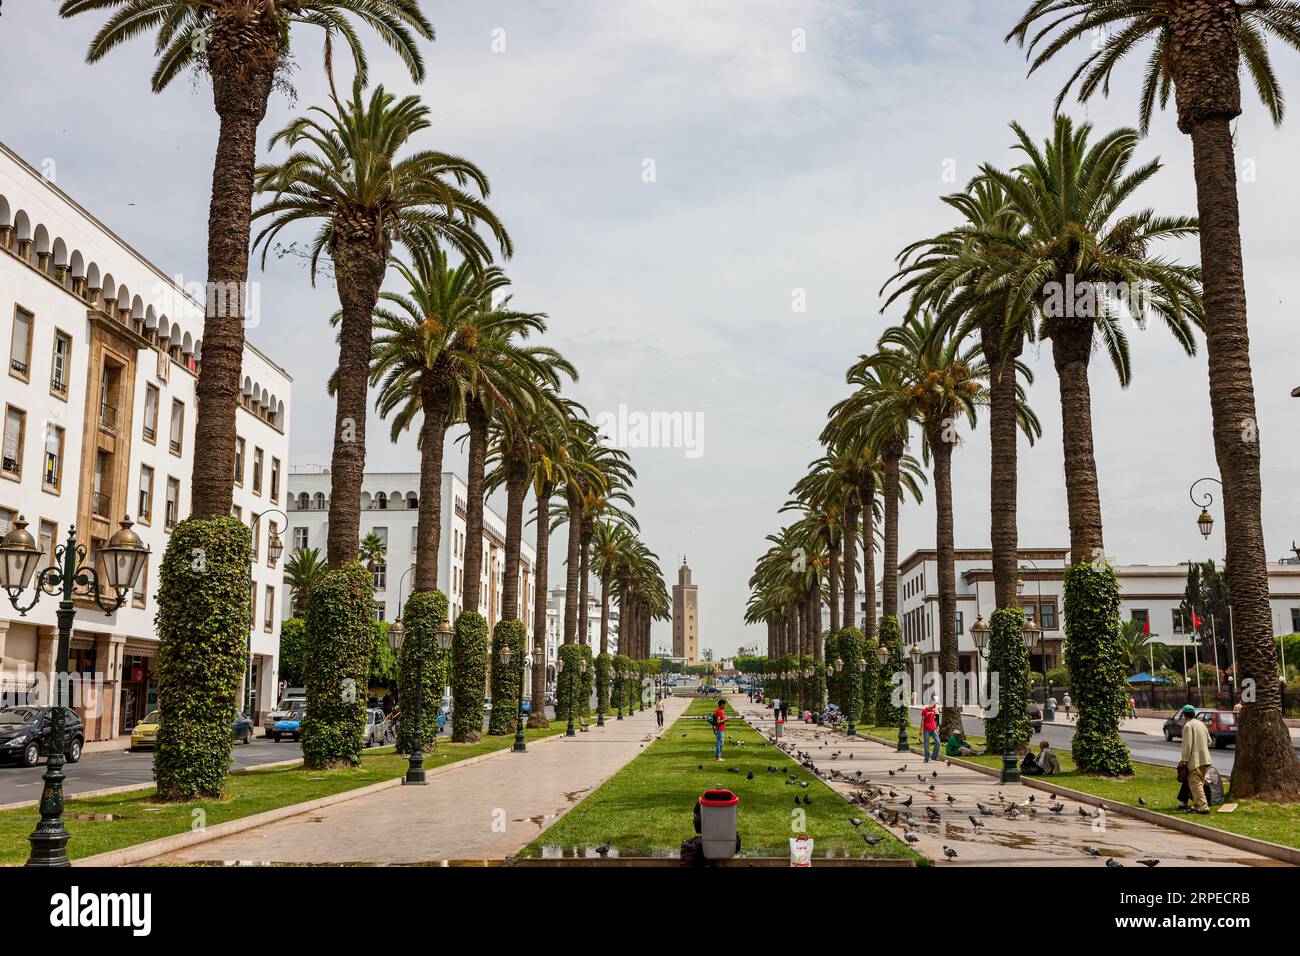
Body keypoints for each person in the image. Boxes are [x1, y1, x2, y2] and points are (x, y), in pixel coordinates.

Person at [1177, 704, 1212, 814]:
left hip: (1194, 760)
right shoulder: (1201, 724)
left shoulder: (1188, 726)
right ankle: (1196, 805)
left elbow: (1187, 745)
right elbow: (1209, 741)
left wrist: (1184, 760)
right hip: (1205, 759)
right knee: (1198, 783)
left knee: (1195, 784)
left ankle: (1203, 806)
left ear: (1185, 714)